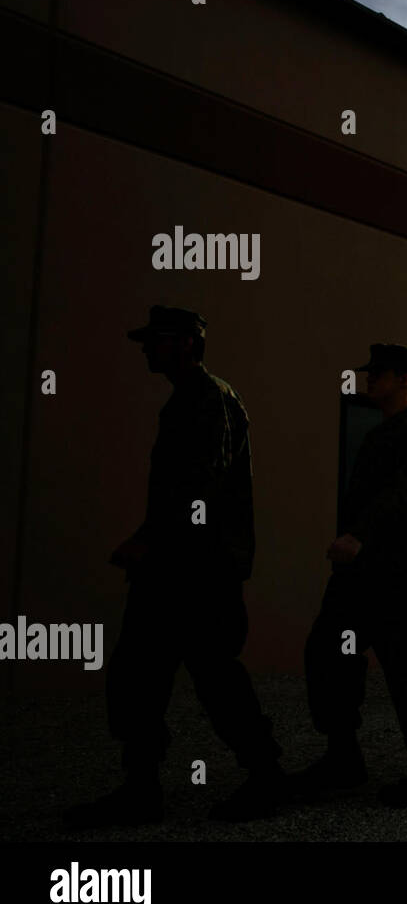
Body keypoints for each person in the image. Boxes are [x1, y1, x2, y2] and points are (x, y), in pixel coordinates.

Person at [66, 307, 284, 830]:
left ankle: (265, 777)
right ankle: (141, 788)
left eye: (157, 340)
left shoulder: (212, 399)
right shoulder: (187, 400)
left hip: (202, 570)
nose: (146, 348)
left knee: (214, 678)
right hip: (173, 567)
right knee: (137, 674)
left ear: (187, 343)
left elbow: (200, 486)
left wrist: (149, 539)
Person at [296, 343, 407, 808]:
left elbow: (404, 496)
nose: (370, 379)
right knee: (328, 651)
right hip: (362, 575)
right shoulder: (378, 434)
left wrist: (359, 536)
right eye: (370, 373)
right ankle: (343, 756)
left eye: (380, 373)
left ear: (405, 379)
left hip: (402, 574)